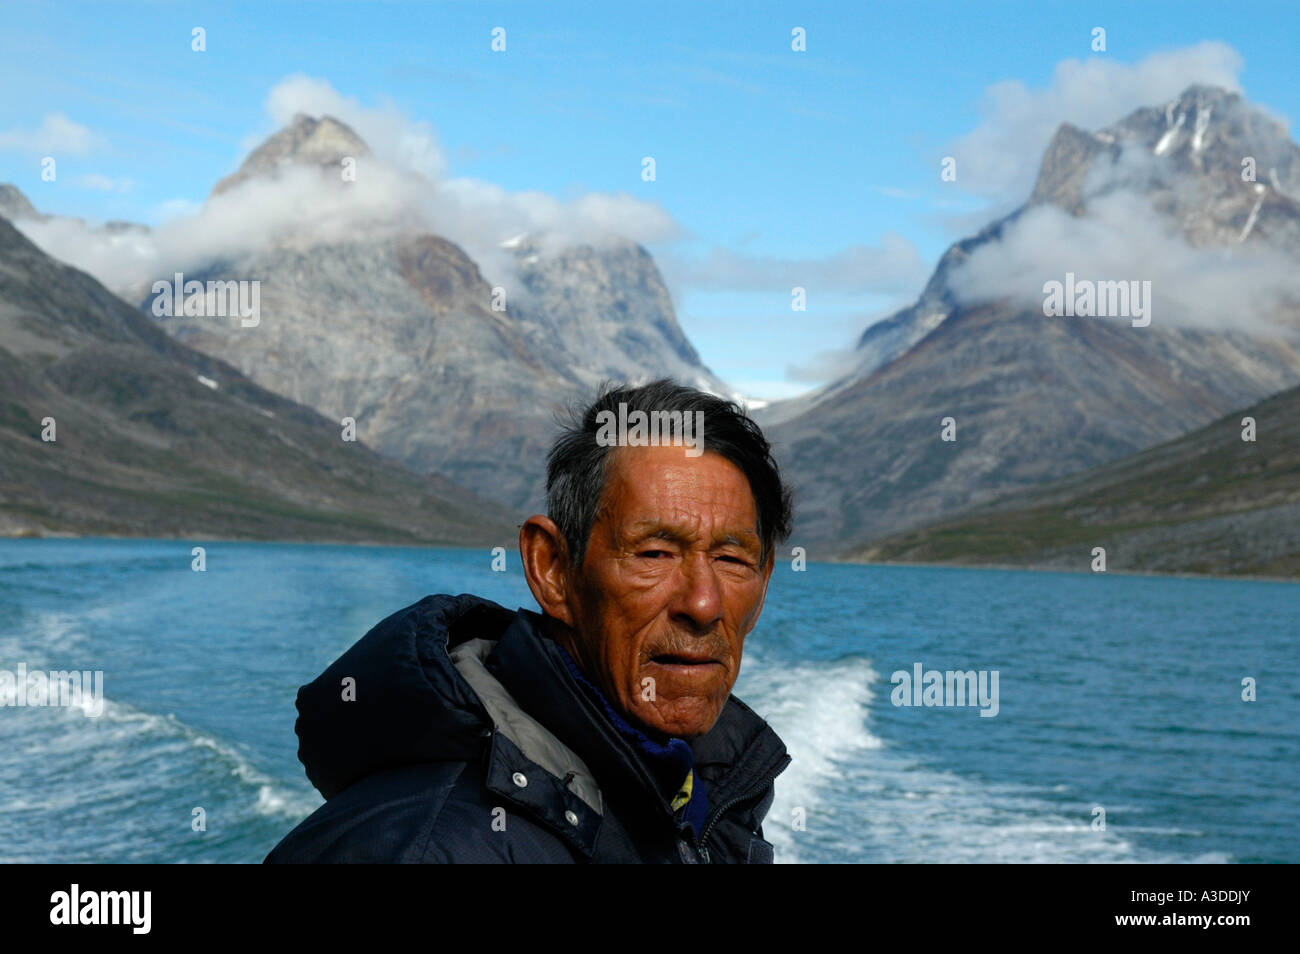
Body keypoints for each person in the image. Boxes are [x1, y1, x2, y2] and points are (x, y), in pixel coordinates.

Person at [265, 379, 793, 863]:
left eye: (732, 559)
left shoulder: (705, 800)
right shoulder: (429, 850)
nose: (704, 604)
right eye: (654, 553)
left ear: (764, 581)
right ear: (553, 570)